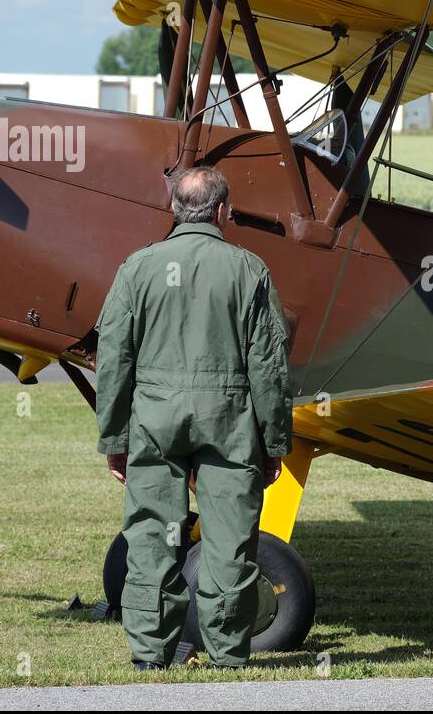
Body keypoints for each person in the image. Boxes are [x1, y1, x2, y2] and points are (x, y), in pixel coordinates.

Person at [94, 167, 291, 671]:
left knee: (154, 534)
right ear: (223, 212)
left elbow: (114, 358)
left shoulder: (137, 268)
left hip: (154, 420)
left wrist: (114, 437)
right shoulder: (249, 270)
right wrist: (274, 442)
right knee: (230, 538)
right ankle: (227, 653)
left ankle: (149, 655)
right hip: (229, 421)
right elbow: (268, 366)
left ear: (175, 209)